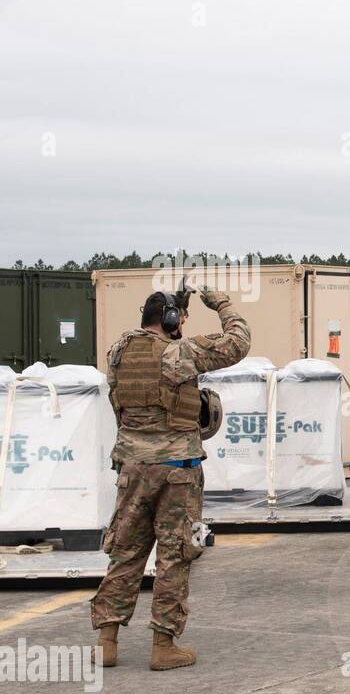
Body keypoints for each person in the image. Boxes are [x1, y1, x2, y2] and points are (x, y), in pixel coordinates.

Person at [90, 285, 250, 670]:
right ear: (172, 321)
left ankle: (106, 642)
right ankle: (163, 645)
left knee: (125, 553)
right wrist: (221, 303)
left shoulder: (118, 352)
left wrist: (177, 310)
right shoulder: (181, 353)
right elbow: (238, 342)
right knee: (175, 555)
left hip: (131, 469)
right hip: (177, 472)